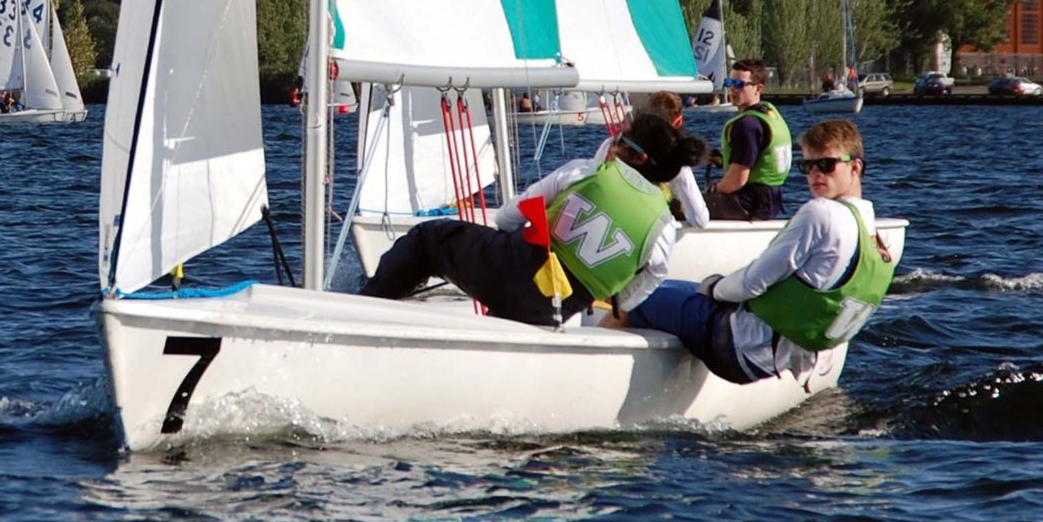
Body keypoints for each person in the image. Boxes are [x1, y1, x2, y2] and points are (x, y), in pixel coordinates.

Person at [360, 112, 708, 326]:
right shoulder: (664, 227)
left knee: (428, 239)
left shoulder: (585, 172)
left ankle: (366, 310)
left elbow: (507, 218)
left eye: (618, 140)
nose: (612, 144)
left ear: (638, 156)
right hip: (555, 311)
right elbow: (637, 290)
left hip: (507, 270)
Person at [619, 118, 897, 383]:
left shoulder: (821, 213)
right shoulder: (873, 234)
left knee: (630, 301)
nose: (815, 173)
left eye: (826, 164)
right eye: (807, 165)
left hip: (739, 344)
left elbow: (752, 283)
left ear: (855, 167)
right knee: (677, 288)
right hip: (785, 355)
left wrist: (712, 288)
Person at [706, 63, 791, 221]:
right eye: (729, 83)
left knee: (684, 205)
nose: (733, 88)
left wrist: (714, 189)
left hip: (750, 203)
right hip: (772, 200)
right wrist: (721, 160)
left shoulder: (748, 125)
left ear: (758, 88)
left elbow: (737, 180)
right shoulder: (770, 114)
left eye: (739, 84)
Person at [618, 91, 709, 228]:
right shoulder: (676, 162)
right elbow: (699, 220)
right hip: (650, 229)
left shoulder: (615, 148)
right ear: (678, 121)